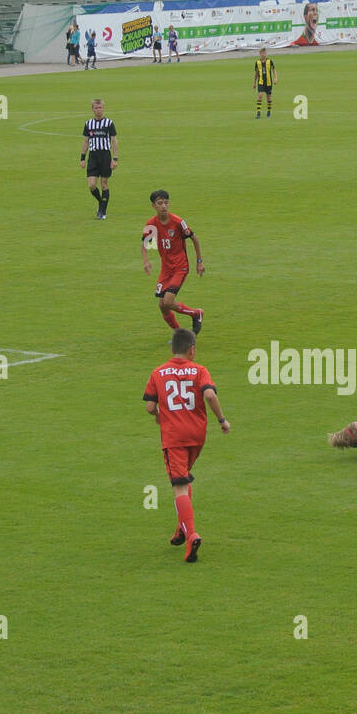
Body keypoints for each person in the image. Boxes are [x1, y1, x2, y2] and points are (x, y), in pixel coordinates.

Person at [142, 328, 229, 563]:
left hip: (174, 437)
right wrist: (222, 420)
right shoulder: (200, 370)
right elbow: (209, 396)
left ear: (172, 349)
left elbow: (150, 407)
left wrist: (161, 418)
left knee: (178, 485)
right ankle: (181, 528)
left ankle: (191, 535)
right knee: (184, 477)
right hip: (197, 436)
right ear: (192, 350)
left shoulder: (158, 372)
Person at [142, 189, 204, 333]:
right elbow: (145, 244)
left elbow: (194, 238)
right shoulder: (151, 224)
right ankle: (179, 333)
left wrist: (199, 261)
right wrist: (146, 261)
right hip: (166, 269)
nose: (163, 206)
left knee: (168, 301)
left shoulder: (178, 222)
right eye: (159, 203)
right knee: (162, 305)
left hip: (180, 266)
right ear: (153, 206)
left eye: (166, 203)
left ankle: (196, 314)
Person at [79, 98, 119, 219]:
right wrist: (82, 158)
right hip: (93, 156)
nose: (98, 110)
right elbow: (86, 141)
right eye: (96, 108)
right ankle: (101, 202)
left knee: (104, 184)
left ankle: (102, 211)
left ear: (104, 108)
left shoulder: (109, 123)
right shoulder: (88, 124)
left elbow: (114, 140)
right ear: (92, 109)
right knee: (91, 185)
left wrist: (115, 159)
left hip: (105, 156)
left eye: (100, 107)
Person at [253, 47, 277, 118]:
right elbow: (256, 73)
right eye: (262, 53)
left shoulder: (270, 61)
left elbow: (274, 70)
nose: (263, 55)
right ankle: (258, 113)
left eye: (264, 53)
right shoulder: (257, 63)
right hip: (261, 82)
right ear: (260, 54)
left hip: (269, 82)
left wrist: (275, 78)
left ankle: (269, 112)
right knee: (260, 95)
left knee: (268, 97)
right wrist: (254, 82)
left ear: (266, 54)